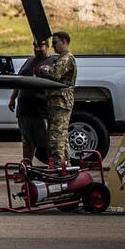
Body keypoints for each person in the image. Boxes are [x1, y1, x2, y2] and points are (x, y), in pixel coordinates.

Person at [36, 30, 77, 167]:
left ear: (64, 42)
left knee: (56, 137)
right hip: (56, 102)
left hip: (61, 102)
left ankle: (59, 166)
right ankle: (65, 164)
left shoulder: (66, 58)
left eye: (55, 43)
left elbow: (55, 73)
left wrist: (43, 69)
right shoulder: (59, 58)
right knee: (60, 136)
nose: (53, 46)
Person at [9, 38, 52, 164]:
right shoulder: (29, 61)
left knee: (46, 141)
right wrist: (13, 98)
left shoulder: (53, 62)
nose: (37, 49)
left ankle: (52, 168)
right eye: (35, 46)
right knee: (27, 141)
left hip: (41, 110)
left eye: (40, 46)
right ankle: (27, 167)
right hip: (24, 109)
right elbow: (19, 80)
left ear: (47, 46)